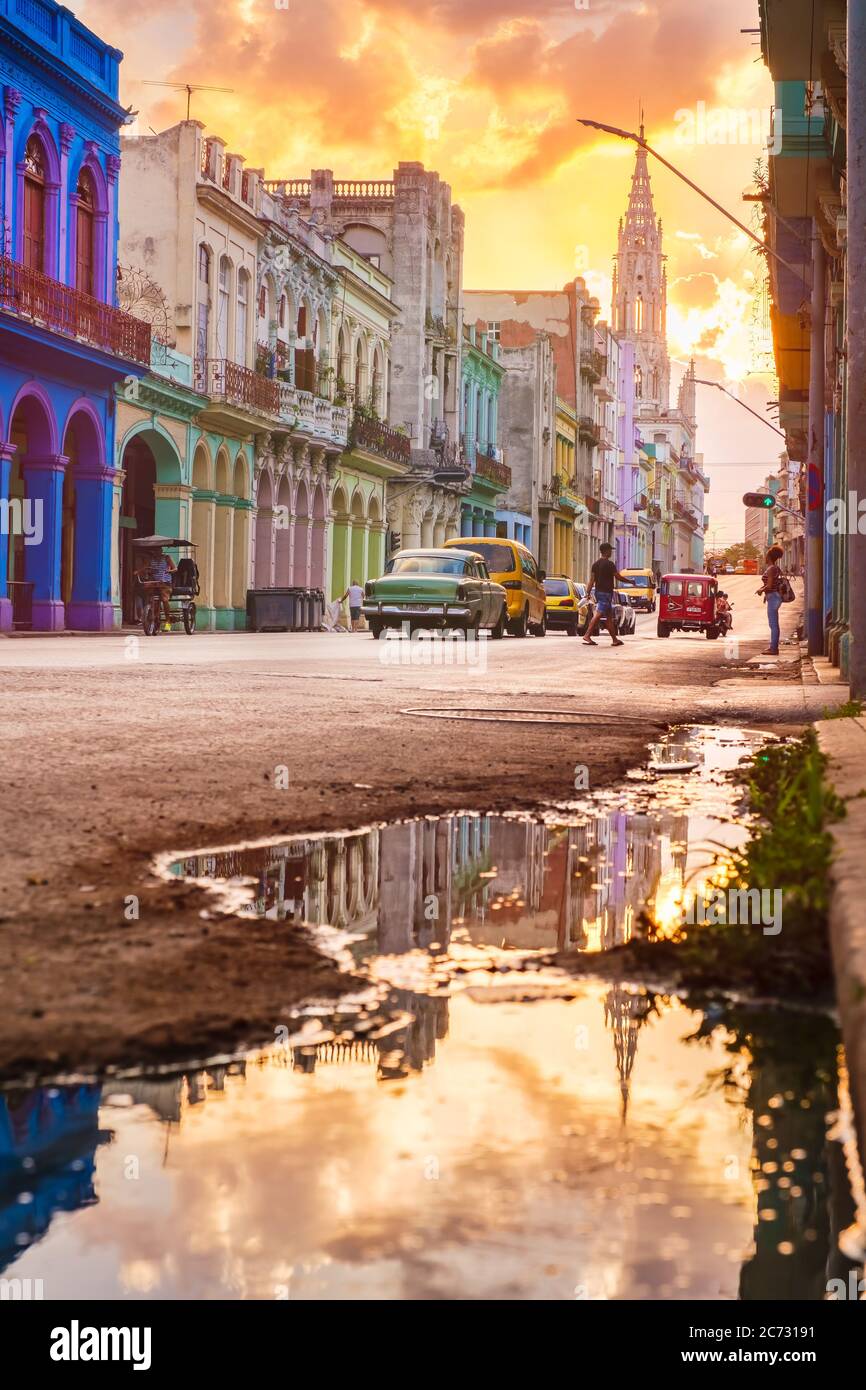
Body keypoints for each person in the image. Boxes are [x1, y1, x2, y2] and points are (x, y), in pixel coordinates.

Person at [583, 543, 626, 647]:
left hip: (598, 592)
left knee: (609, 618)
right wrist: (630, 581)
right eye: (610, 550)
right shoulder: (610, 564)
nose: (611, 552)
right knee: (599, 614)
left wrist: (587, 593)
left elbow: (591, 581)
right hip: (606, 593)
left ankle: (615, 640)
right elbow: (618, 577)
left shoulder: (595, 564)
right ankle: (587, 635)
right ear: (606, 551)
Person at [136, 546, 175, 631]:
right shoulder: (151, 559)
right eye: (155, 551)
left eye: (159, 550)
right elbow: (145, 567)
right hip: (154, 583)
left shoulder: (167, 558)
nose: (157, 552)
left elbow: (175, 568)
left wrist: (169, 571)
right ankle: (152, 617)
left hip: (165, 583)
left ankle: (168, 621)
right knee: (151, 598)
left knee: (164, 600)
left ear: (161, 551)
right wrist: (138, 572)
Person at [757, 544, 784, 655]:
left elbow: (769, 585)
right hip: (773, 597)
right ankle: (773, 647)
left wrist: (760, 590)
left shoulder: (771, 569)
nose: (765, 557)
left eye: (766, 555)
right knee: (774, 624)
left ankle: (773, 648)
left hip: (773, 597)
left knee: (773, 624)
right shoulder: (775, 568)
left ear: (769, 557)